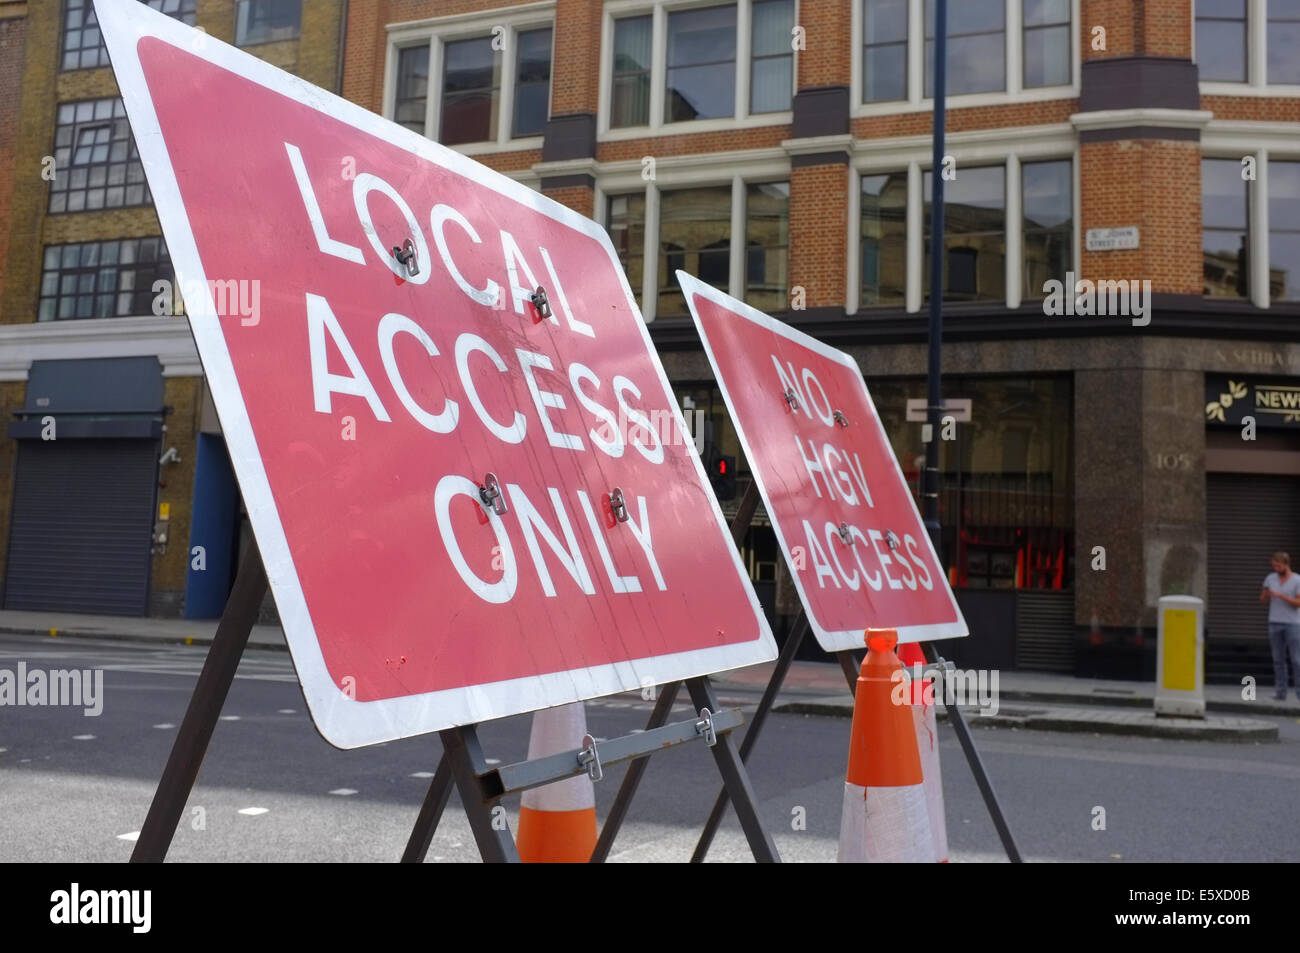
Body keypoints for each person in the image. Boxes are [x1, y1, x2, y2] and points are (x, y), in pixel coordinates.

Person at [1261, 551, 1300, 701]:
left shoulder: (1297, 580)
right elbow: (1263, 600)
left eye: (1278, 566)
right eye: (1274, 566)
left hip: (1293, 623)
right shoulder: (1270, 579)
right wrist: (1266, 595)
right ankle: (1280, 692)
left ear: (1286, 564)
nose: (1276, 569)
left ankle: (1298, 692)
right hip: (1274, 622)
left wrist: (1281, 596)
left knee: (1296, 659)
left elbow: (1298, 603)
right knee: (1278, 659)